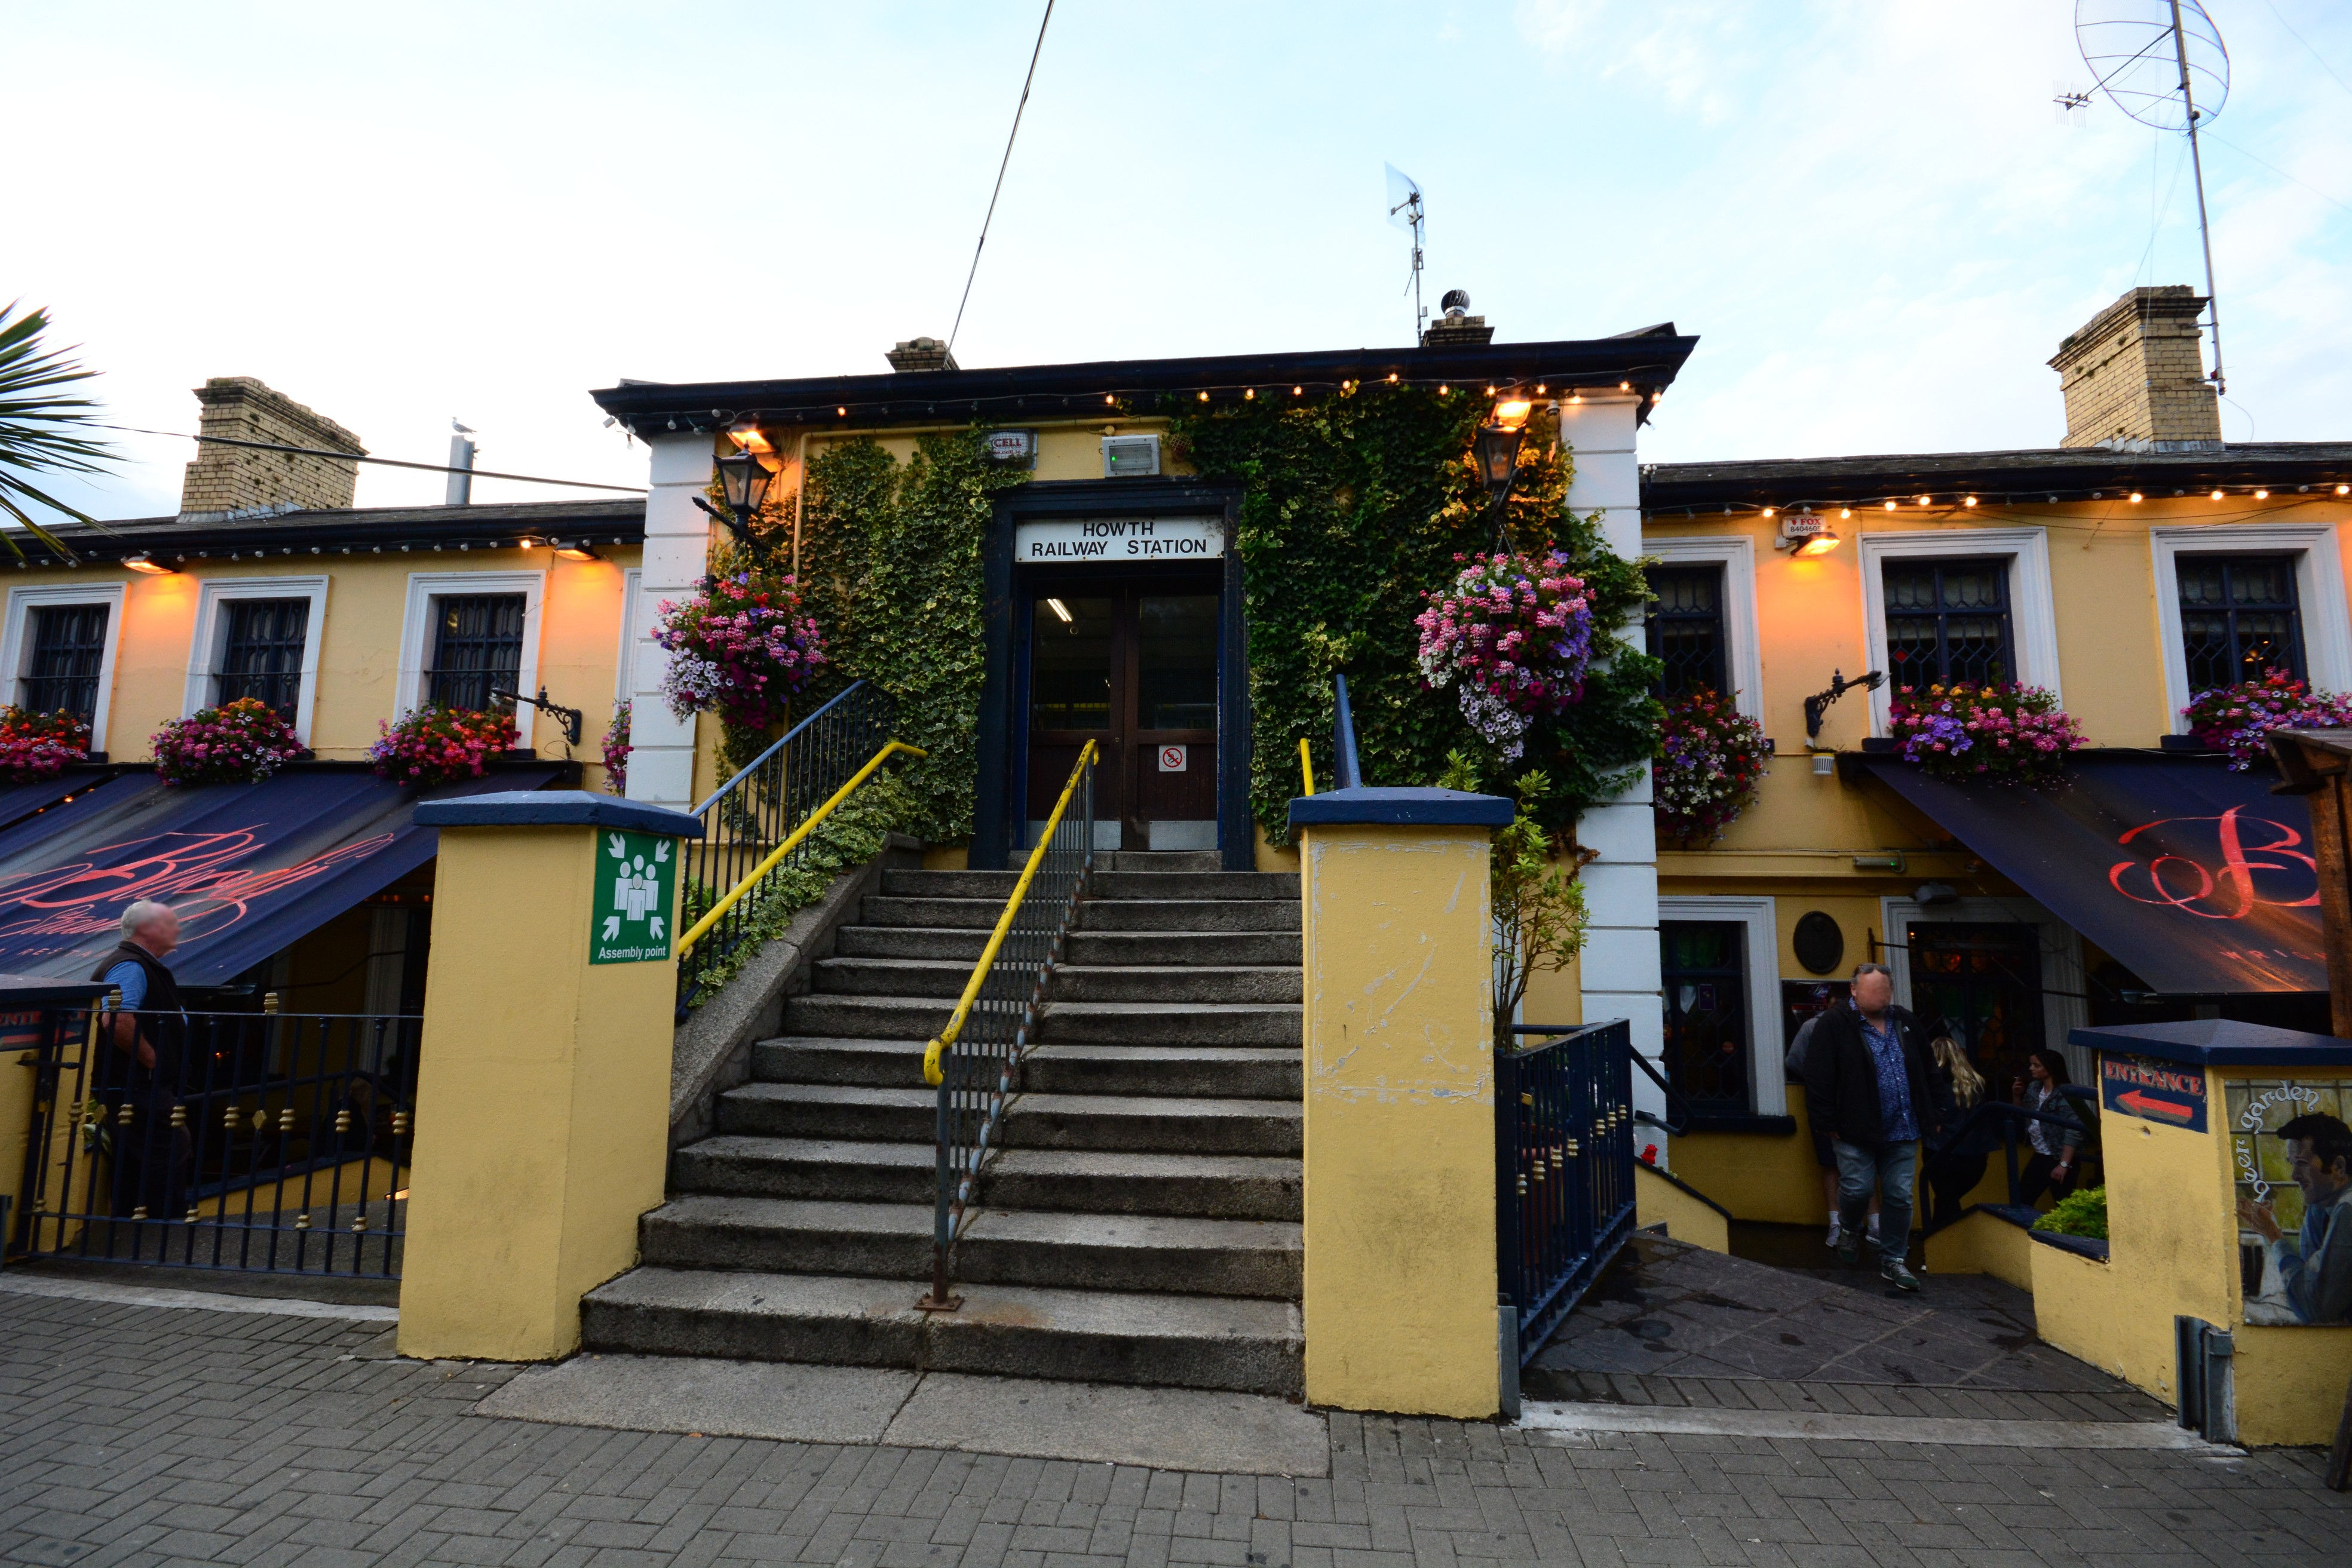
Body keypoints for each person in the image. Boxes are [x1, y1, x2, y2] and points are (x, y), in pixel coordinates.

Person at [1801, 962, 1939, 1292]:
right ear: (1854, 990)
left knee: (1899, 1197)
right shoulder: (1834, 1024)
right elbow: (1817, 1076)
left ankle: (1893, 1260)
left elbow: (1927, 1068)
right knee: (1859, 1190)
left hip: (1904, 1126)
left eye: (1885, 990)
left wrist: (1935, 1112)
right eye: (1873, 990)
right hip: (1853, 1129)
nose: (1881, 996)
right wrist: (1826, 1121)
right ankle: (1849, 1227)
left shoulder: (1904, 1021)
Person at [91, 900, 191, 1220]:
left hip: (137, 1085)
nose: (177, 929)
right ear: (147, 929)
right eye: (170, 923)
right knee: (169, 1147)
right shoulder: (132, 965)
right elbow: (115, 1018)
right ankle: (158, 1229)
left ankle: (136, 1223)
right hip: (137, 1086)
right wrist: (153, 1062)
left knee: (141, 1155)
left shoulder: (141, 964)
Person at [2237, 1112, 2352, 1325]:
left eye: (2302, 1163)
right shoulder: (2321, 1208)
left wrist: (2274, 1235)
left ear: (2339, 1167)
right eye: (2292, 1163)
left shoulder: (2348, 1209)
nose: (2294, 1176)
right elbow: (2312, 1285)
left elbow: (2317, 1310)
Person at [1786, 1010, 1878, 1251]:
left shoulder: (1866, 1025)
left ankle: (1868, 1224)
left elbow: (1795, 1061)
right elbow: (1794, 1061)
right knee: (1835, 1163)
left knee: (1858, 1163)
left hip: (1856, 1106)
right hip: (1831, 1107)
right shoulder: (1814, 1027)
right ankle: (1846, 1224)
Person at [1921, 1035, 2000, 1229]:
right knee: (1947, 1202)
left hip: (1941, 1152)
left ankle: (1942, 1247)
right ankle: (1939, 1246)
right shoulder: (1975, 1083)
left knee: (1946, 1202)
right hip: (1975, 1156)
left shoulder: (1932, 1085)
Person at [2011, 1049, 2084, 1207]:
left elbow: (2074, 1129)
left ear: (2050, 1068)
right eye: (2032, 1065)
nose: (2032, 1069)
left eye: (2036, 1066)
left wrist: (2064, 1165)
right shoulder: (2034, 1088)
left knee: (2064, 1204)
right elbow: (2024, 1116)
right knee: (2021, 1198)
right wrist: (2017, 1096)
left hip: (2058, 1155)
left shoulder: (2065, 1093)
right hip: (2040, 1155)